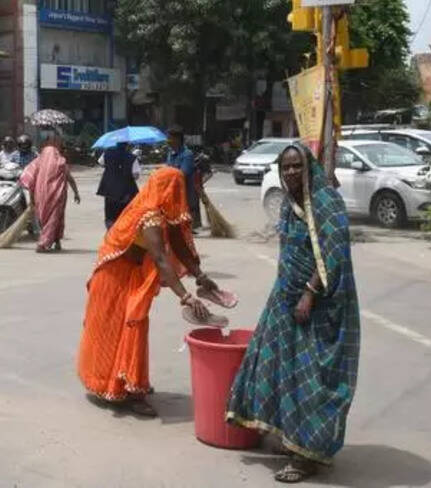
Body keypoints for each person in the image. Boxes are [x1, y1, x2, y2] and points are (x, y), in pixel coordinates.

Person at [226, 143, 360, 483]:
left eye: (296, 166)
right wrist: (285, 294)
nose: (290, 172)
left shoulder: (326, 202)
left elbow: (334, 253)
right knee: (276, 368)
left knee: (312, 380)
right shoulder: (288, 204)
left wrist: (309, 294)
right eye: (285, 167)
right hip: (285, 300)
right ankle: (291, 438)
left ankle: (306, 455)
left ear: (308, 168)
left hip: (320, 306)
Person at [76, 167, 230, 416]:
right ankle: (122, 389)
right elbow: (160, 258)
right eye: (176, 189)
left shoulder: (163, 211)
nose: (179, 195)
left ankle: (128, 383)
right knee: (118, 330)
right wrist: (186, 297)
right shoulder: (149, 214)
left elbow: (178, 244)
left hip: (132, 273)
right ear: (167, 189)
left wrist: (200, 276)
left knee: (132, 327)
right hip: (113, 275)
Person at [19, 135, 80, 253]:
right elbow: (70, 179)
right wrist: (76, 193)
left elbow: (29, 180)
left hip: (41, 196)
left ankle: (53, 241)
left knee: (45, 220)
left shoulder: (38, 162)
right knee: (56, 218)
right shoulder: (60, 162)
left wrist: (32, 198)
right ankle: (44, 244)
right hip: (57, 197)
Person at [96, 141, 140, 229]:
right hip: (126, 192)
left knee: (110, 215)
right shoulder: (132, 157)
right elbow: (136, 175)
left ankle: (111, 233)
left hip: (110, 190)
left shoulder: (107, 153)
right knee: (126, 215)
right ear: (127, 145)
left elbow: (101, 163)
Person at [166, 126, 200, 233]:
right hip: (173, 191)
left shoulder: (187, 154)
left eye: (170, 138)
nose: (168, 141)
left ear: (177, 139)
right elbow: (168, 169)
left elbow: (182, 174)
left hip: (185, 192)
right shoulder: (170, 153)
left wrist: (168, 174)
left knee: (185, 224)